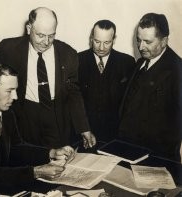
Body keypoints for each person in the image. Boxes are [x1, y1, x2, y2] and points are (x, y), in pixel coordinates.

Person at [0, 7, 96, 149]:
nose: (46, 42)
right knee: (26, 159)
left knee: (57, 161)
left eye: (51, 35)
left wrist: (83, 127)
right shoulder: (11, 49)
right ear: (29, 28)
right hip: (24, 116)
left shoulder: (68, 54)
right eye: (41, 35)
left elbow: (73, 93)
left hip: (55, 116)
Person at [0, 64, 75, 194]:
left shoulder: (7, 113)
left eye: (15, 90)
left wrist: (51, 153)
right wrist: (36, 172)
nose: (15, 97)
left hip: (2, 183)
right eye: (9, 91)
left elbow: (16, 148)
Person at [118, 13, 182, 162]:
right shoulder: (141, 63)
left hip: (157, 160)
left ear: (164, 41)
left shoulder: (177, 70)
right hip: (130, 153)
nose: (141, 47)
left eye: (148, 41)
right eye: (138, 40)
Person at [78, 20, 135, 143]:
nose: (101, 48)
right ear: (91, 38)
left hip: (116, 138)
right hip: (83, 136)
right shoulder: (77, 60)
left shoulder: (127, 62)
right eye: (97, 41)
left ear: (114, 40)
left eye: (107, 42)